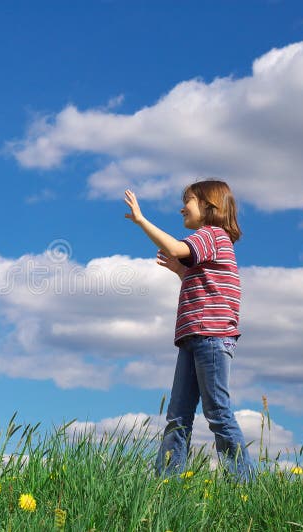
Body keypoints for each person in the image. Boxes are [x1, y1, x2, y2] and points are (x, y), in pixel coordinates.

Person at [124, 180, 255, 481]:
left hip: (211, 337)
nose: (183, 207)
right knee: (178, 416)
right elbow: (203, 280)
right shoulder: (211, 241)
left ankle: (244, 483)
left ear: (210, 207)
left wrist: (142, 220)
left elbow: (175, 247)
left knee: (218, 413)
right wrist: (181, 271)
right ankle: (167, 482)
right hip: (194, 338)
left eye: (190, 201)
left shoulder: (212, 234)